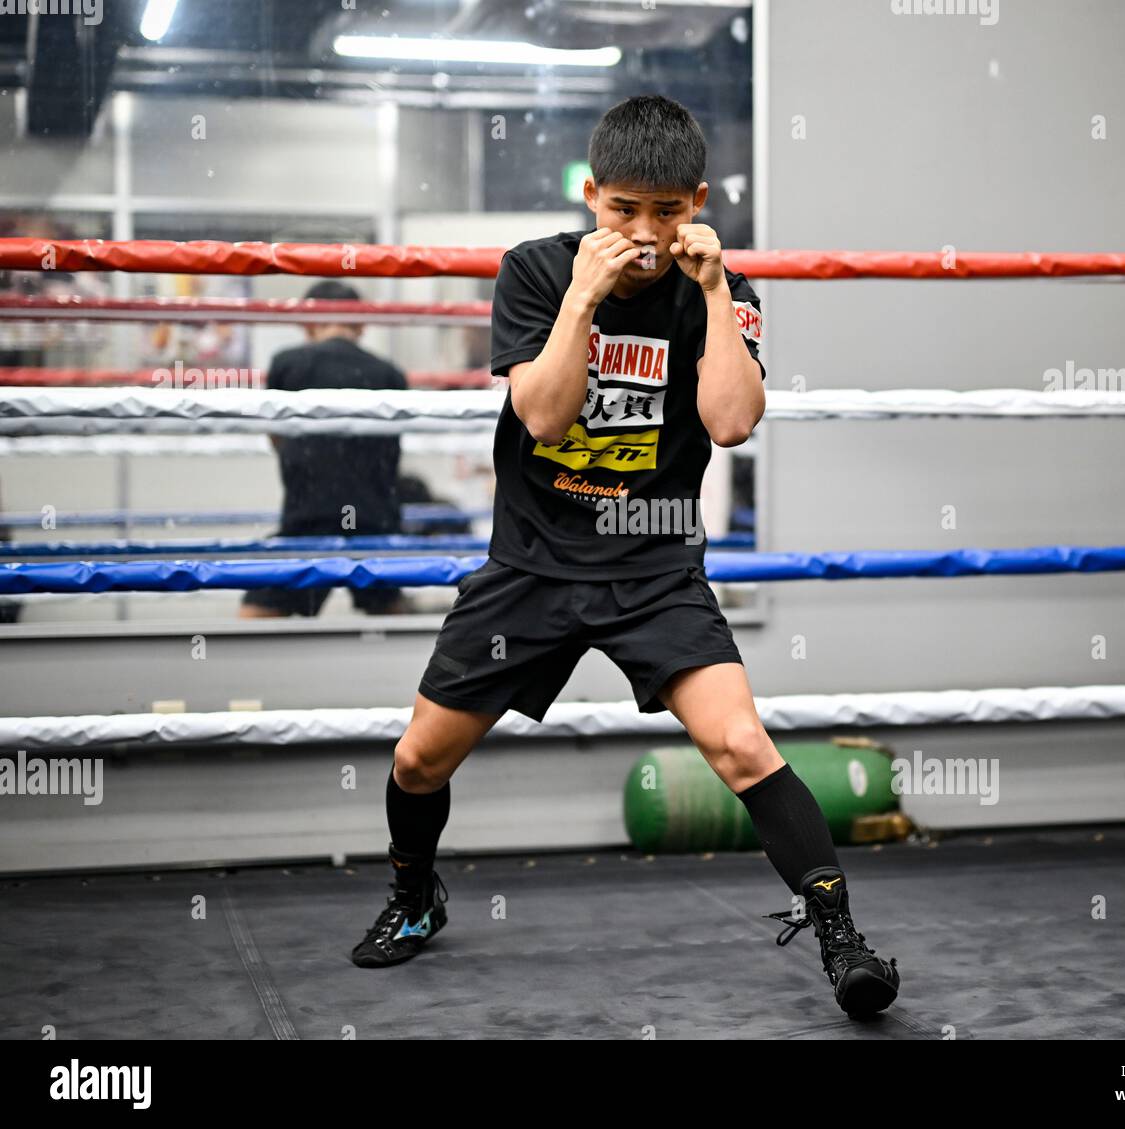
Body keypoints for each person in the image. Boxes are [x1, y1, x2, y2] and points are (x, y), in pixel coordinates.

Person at [351, 95, 901, 1017]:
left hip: (653, 569)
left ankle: (842, 934)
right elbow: (543, 416)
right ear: (591, 194)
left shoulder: (721, 293)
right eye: (622, 211)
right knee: (418, 761)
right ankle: (414, 898)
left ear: (696, 201)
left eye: (667, 211)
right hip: (530, 566)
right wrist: (584, 294)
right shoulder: (534, 271)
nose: (645, 233)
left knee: (740, 743)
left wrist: (719, 291)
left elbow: (730, 422)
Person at [239, 280, 412, 618]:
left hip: (309, 515)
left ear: (307, 322)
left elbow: (276, 438)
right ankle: (415, 670)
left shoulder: (288, 363)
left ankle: (250, 672)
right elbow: (391, 449)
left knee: (256, 617)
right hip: (373, 519)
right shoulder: (390, 373)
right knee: (391, 616)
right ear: (361, 324)